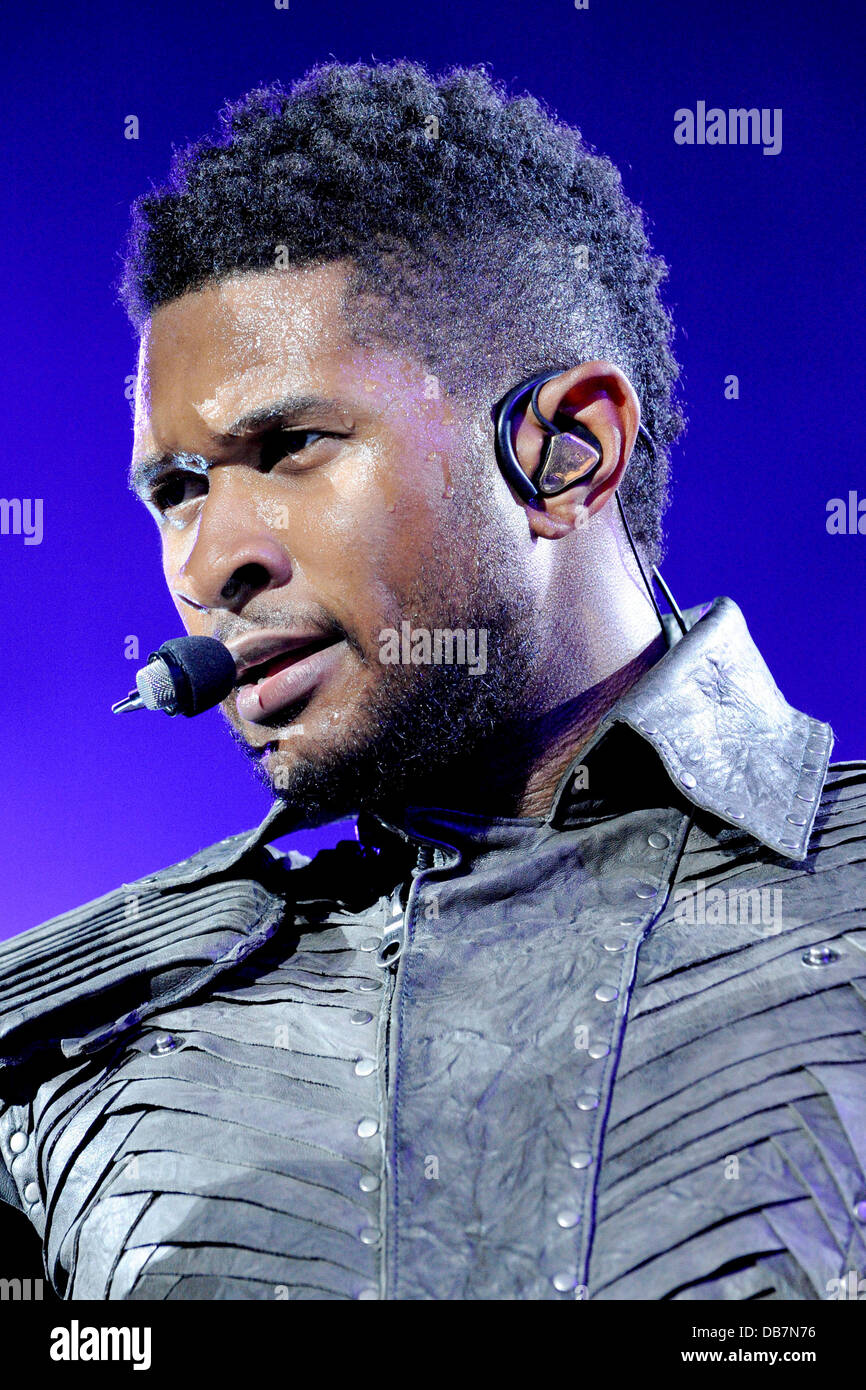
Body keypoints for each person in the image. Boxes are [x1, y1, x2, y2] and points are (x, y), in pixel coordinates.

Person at [1, 60, 864, 1302]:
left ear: (565, 454)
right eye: (177, 489)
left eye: (291, 446)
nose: (208, 560)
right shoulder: (52, 1047)